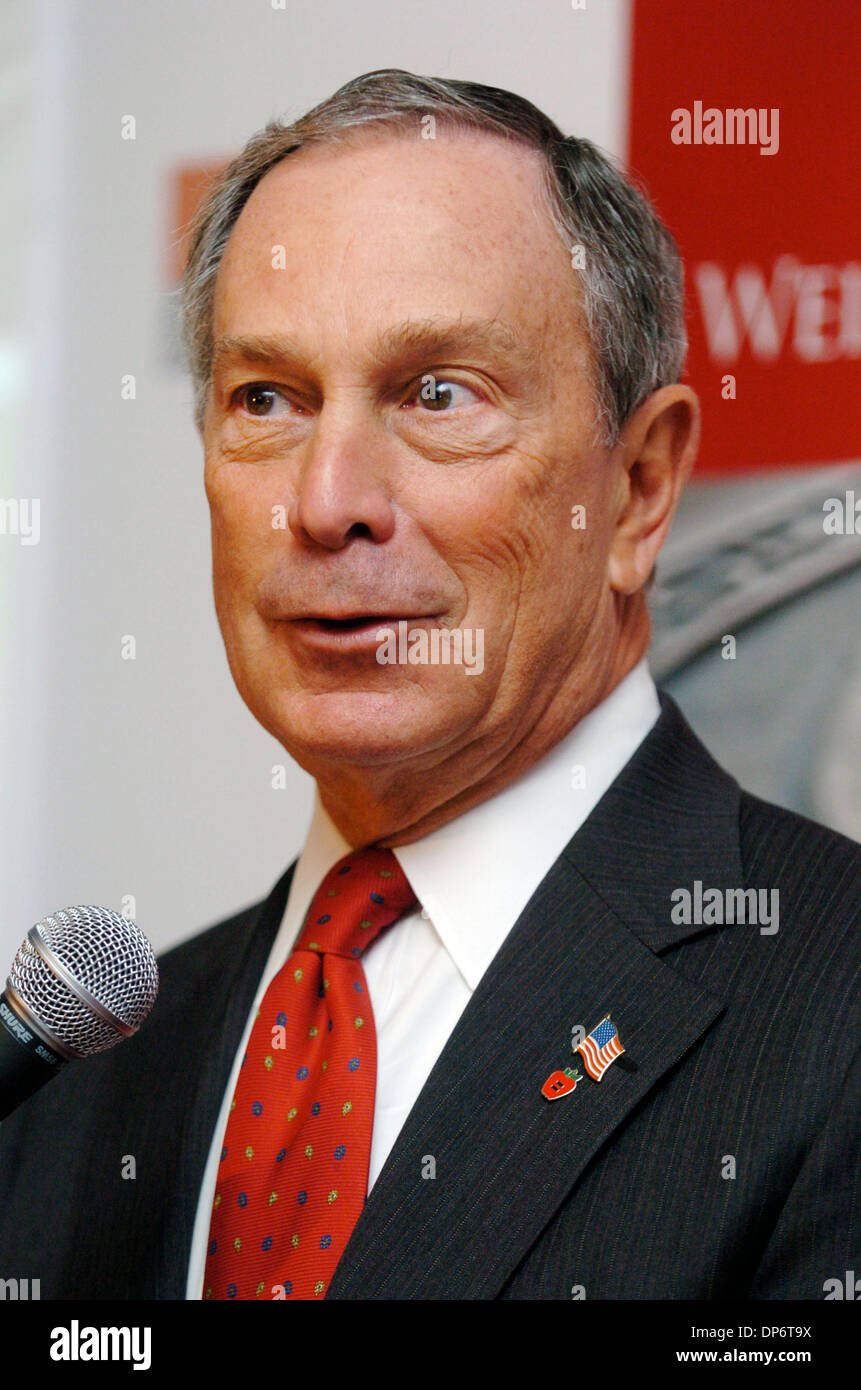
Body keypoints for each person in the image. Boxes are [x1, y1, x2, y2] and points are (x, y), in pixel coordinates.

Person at [0, 70, 857, 1301]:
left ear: (640, 491)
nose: (327, 498)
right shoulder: (77, 1071)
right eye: (267, 400)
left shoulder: (832, 1007)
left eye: (438, 393)